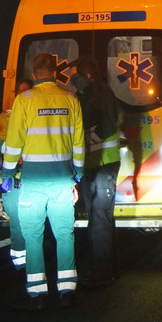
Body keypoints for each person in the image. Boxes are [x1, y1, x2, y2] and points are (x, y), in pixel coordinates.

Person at [1, 52, 85, 309]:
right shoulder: (71, 99)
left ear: (35, 74)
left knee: (33, 236)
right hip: (62, 179)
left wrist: (6, 173)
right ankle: (67, 291)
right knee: (65, 235)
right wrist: (78, 175)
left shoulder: (24, 100)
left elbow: (14, 141)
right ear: (55, 73)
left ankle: (37, 295)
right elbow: (78, 143)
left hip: (33, 182)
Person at [71, 56, 121, 288]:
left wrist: (85, 140)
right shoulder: (88, 93)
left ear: (87, 75)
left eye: (76, 75)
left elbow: (106, 125)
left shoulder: (102, 93)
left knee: (100, 217)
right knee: (95, 218)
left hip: (103, 163)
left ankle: (102, 272)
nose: (72, 80)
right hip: (92, 164)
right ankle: (99, 267)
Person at [0, 78, 33, 268]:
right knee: (17, 223)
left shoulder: (38, 115)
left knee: (34, 224)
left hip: (34, 177)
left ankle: (34, 262)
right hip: (14, 178)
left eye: (25, 91)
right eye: (18, 91)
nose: (21, 95)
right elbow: (0, 142)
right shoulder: (6, 116)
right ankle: (20, 264)